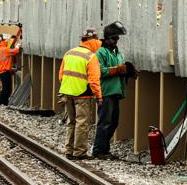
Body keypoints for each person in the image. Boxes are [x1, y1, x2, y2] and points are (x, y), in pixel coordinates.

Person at [92, 21, 136, 159]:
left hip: (116, 91)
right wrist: (118, 70)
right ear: (106, 38)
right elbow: (101, 71)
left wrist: (127, 71)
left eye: (117, 38)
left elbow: (120, 67)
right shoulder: (100, 52)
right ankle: (98, 150)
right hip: (106, 92)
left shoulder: (117, 53)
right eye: (114, 38)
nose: (116, 41)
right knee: (104, 122)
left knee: (113, 122)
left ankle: (104, 149)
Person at [58, 27, 102, 160]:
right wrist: (99, 96)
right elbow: (94, 81)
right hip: (83, 94)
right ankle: (79, 152)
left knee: (71, 122)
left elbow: (61, 76)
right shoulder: (91, 56)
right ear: (92, 41)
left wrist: (68, 87)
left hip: (67, 92)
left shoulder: (69, 53)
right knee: (82, 123)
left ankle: (69, 151)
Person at [0, 32, 21, 105]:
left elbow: (4, 62)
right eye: (6, 40)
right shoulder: (4, 49)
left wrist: (10, 68)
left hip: (3, 72)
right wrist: (18, 45)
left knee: (7, 90)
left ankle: (3, 104)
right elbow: (15, 51)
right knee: (6, 90)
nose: (7, 41)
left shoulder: (0, 49)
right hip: (4, 73)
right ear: (3, 41)